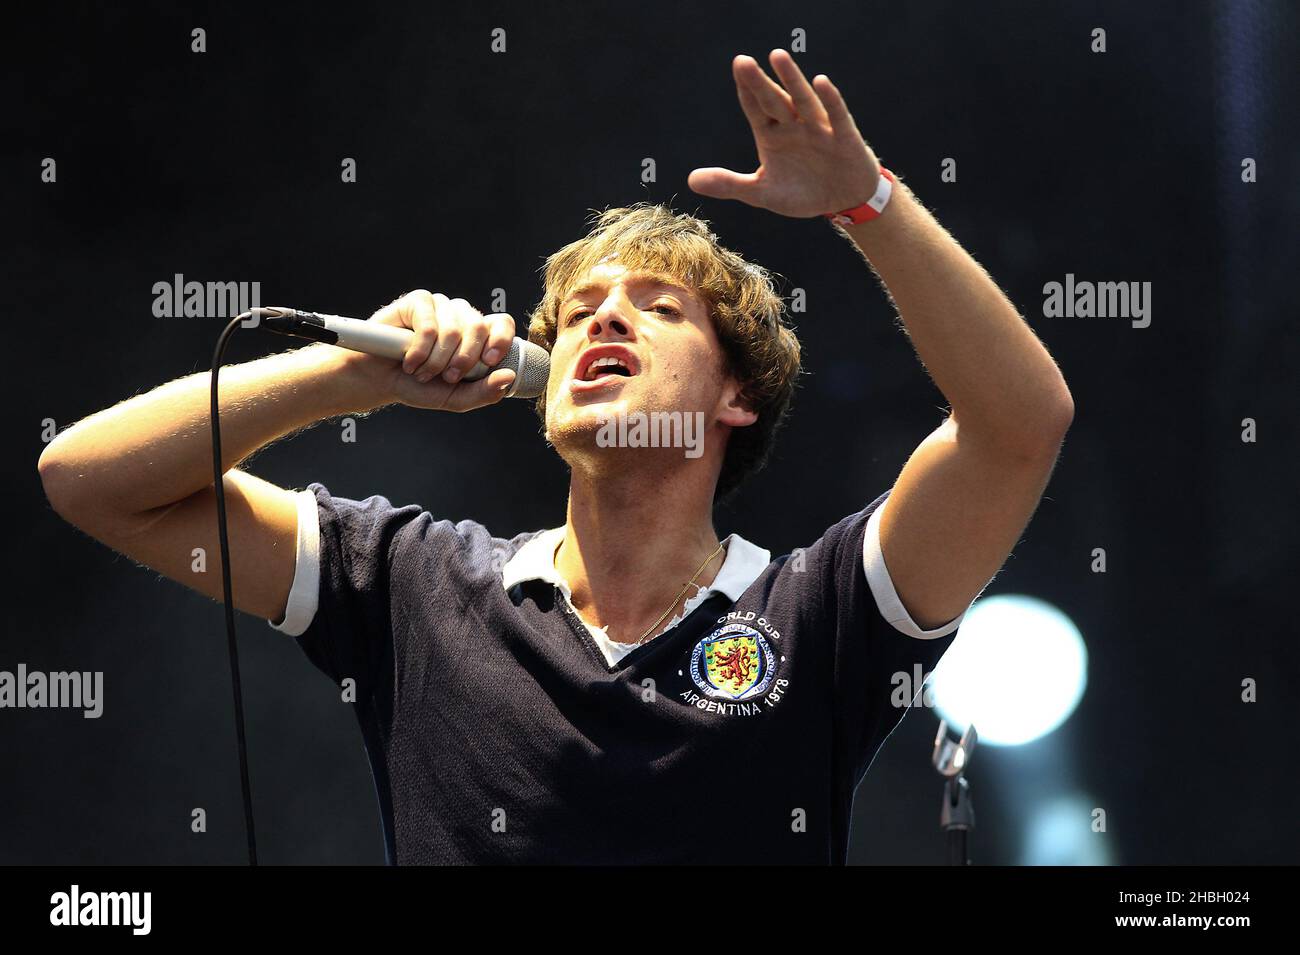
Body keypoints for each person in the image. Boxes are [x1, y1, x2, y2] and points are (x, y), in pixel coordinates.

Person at [37, 50, 1072, 864]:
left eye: (656, 308)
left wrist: (869, 204)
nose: (606, 319)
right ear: (538, 379)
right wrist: (350, 374)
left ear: (735, 396)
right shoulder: (411, 578)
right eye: (578, 315)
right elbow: (87, 479)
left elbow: (1018, 426)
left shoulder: (823, 609)